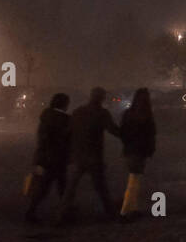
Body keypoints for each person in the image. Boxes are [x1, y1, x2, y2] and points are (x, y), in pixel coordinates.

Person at [59, 86, 121, 221]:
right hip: (94, 155)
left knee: (70, 188)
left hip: (78, 154)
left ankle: (62, 214)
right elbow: (113, 130)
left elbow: (68, 132)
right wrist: (129, 136)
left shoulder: (78, 112)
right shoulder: (101, 113)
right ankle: (111, 213)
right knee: (101, 187)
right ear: (101, 98)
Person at [25, 93, 71, 223]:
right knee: (61, 187)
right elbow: (66, 138)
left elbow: (43, 139)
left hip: (43, 157)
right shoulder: (64, 119)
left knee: (43, 186)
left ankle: (31, 211)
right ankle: (64, 214)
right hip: (58, 158)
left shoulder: (46, 116)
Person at [118, 87, 156, 221]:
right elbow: (151, 134)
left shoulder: (128, 113)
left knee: (134, 179)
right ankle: (125, 211)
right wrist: (150, 149)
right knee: (134, 180)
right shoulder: (146, 114)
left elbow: (122, 131)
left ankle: (133, 208)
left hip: (130, 149)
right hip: (140, 151)